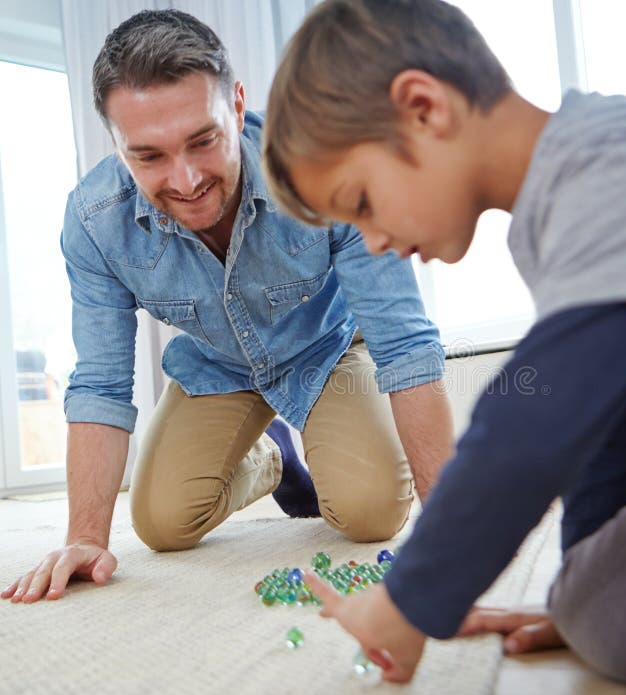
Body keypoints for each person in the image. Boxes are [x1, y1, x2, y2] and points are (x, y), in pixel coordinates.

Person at [262, 0, 626, 684]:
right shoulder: (548, 218)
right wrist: (582, 584)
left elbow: (536, 422)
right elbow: (608, 411)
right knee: (606, 618)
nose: (373, 242)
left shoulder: (616, 172)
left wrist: (411, 596)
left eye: (362, 201)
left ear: (424, 108)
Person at [2, 8, 454, 606]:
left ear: (237, 106)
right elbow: (102, 384)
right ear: (115, 145)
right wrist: (84, 536)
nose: (186, 179)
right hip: (219, 365)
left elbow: (405, 344)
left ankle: (324, 444)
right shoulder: (94, 221)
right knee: (161, 524)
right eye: (149, 156)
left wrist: (454, 527)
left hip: (328, 349)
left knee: (369, 511)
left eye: (202, 140)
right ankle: (268, 459)